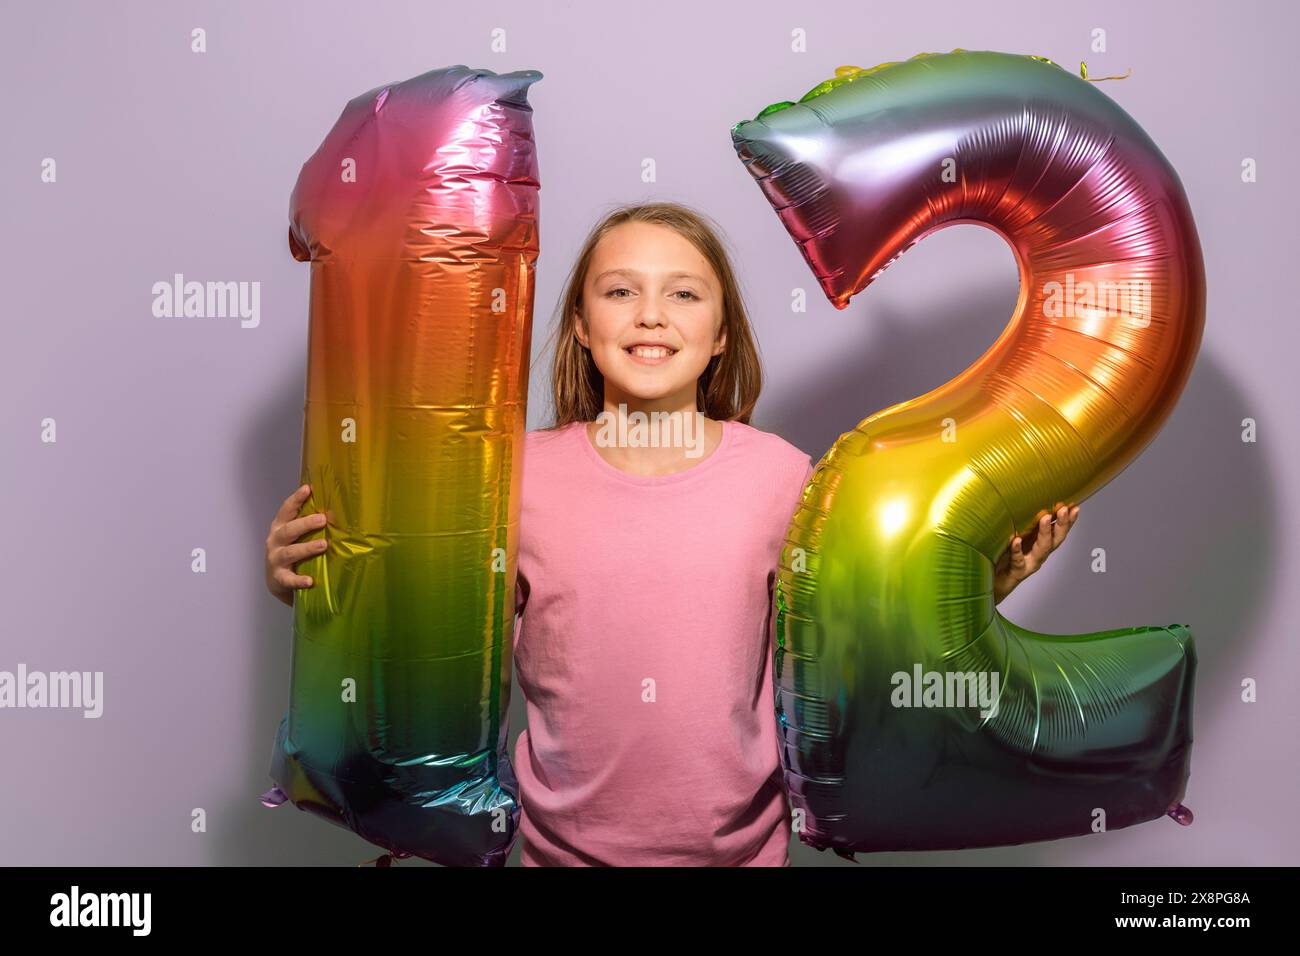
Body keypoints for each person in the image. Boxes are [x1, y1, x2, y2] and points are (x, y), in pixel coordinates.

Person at [264, 201, 1079, 866]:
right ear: (581, 325)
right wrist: (316, 581)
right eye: (619, 292)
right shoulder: (510, 480)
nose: (651, 315)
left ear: (721, 333)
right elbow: (423, 643)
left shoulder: (785, 479)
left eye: (684, 294)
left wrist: (980, 588)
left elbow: (852, 656)